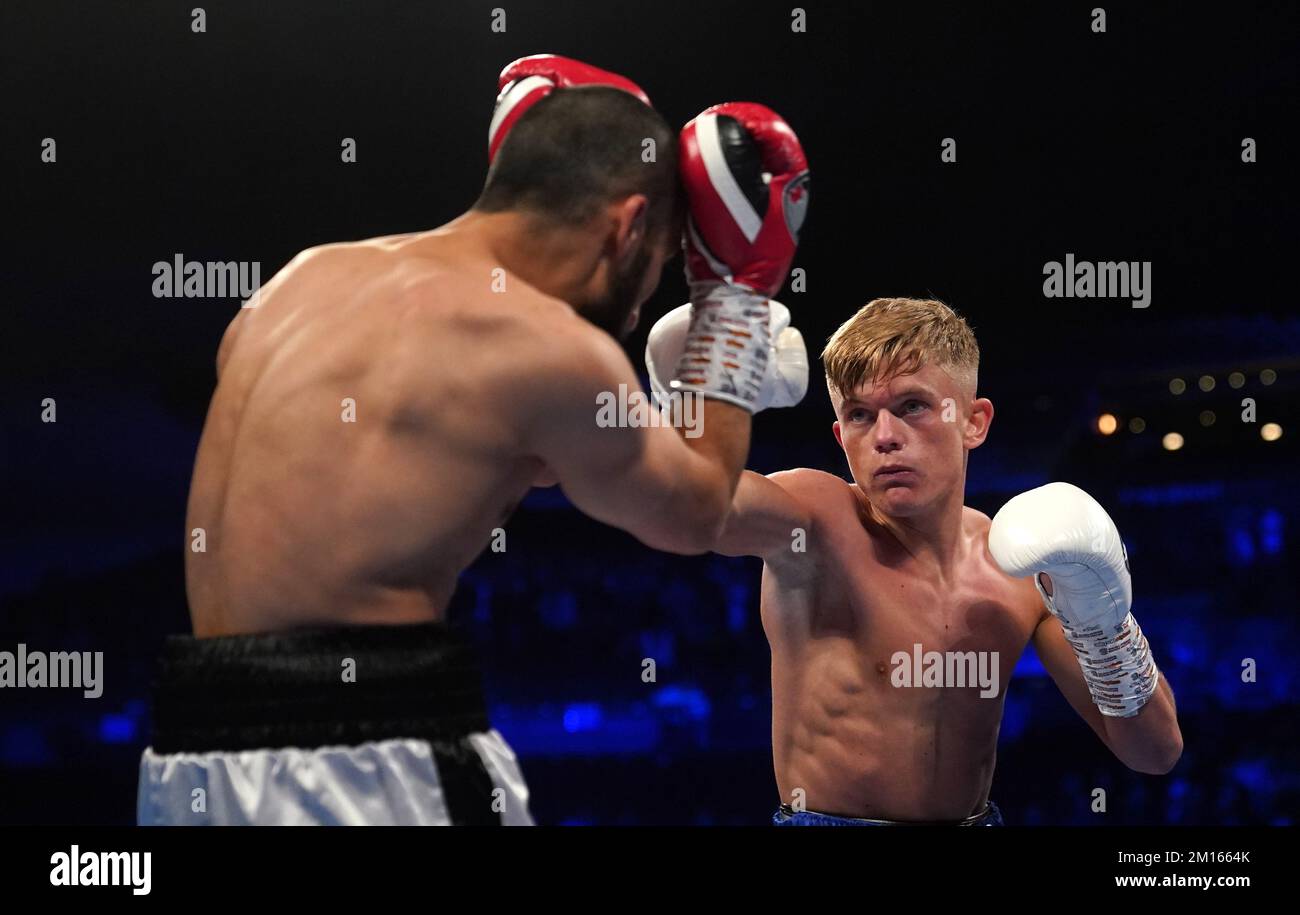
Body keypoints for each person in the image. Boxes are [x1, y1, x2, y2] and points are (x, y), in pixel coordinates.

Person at [137, 55, 810, 825]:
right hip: (372, 756)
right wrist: (732, 298)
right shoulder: (545, 348)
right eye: (658, 267)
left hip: (187, 760)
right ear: (626, 228)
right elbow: (694, 513)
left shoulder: (292, 285)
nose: (635, 313)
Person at [646, 296, 1183, 825]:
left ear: (973, 421)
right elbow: (693, 510)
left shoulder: (1020, 571)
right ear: (841, 436)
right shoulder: (816, 521)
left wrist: (1104, 623)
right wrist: (687, 395)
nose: (884, 438)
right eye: (859, 415)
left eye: (912, 407)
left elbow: (1154, 752)